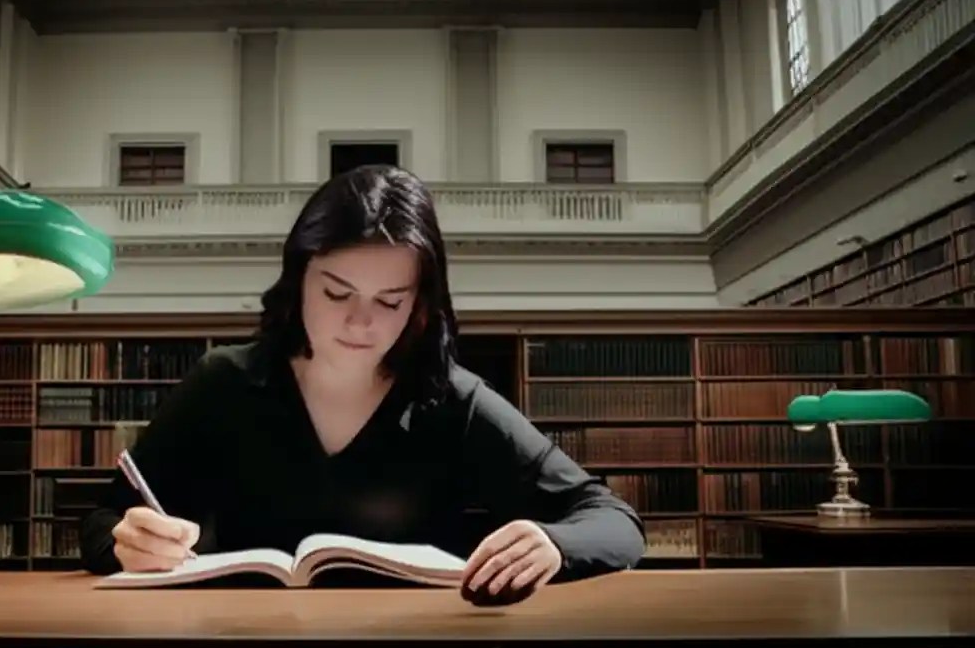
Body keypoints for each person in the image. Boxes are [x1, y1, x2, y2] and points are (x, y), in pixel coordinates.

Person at [80, 164, 645, 605]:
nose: (360, 322)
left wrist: (555, 544)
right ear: (298, 279)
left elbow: (613, 519)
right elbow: (101, 523)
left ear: (420, 309)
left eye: (390, 301)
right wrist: (127, 544)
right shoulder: (223, 382)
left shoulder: (451, 399)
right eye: (335, 293)